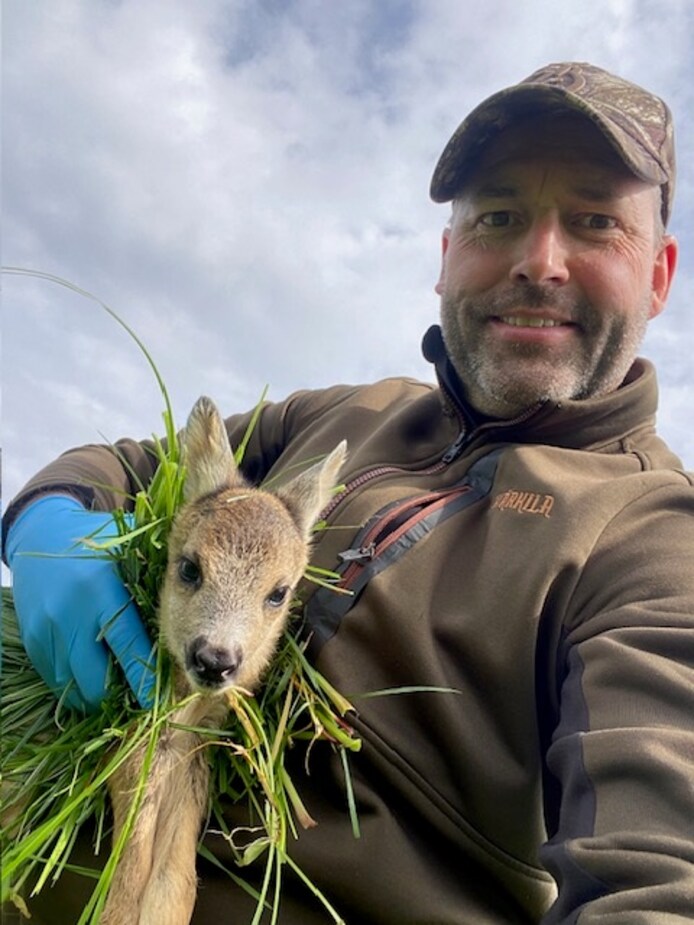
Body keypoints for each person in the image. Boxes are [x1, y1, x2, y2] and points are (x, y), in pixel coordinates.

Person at [4, 61, 694, 924]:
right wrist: (47, 516)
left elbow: (655, 877)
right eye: (499, 216)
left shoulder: (653, 537)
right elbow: (131, 464)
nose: (539, 261)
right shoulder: (350, 414)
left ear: (660, 275)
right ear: (447, 257)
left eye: (595, 221)